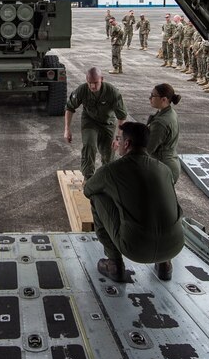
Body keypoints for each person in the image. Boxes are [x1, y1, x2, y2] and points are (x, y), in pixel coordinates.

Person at [83, 121, 183, 283]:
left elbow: (88, 191)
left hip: (136, 249)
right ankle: (165, 265)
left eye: (119, 139)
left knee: (98, 197)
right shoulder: (164, 169)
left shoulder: (112, 170)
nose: (117, 143)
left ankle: (114, 263)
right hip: (175, 246)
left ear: (127, 143)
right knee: (161, 199)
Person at [64, 67, 128, 179]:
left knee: (109, 152)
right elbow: (69, 108)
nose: (92, 86)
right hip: (90, 121)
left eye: (95, 83)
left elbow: (122, 116)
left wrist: (118, 138)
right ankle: (88, 177)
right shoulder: (82, 90)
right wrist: (67, 129)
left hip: (107, 122)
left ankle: (107, 178)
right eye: (89, 83)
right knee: (89, 145)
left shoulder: (112, 92)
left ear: (102, 79)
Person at [146, 83, 181, 181]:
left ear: (164, 99)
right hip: (169, 163)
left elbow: (148, 149)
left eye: (153, 96)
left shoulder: (160, 123)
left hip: (163, 168)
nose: (150, 98)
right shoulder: (169, 112)